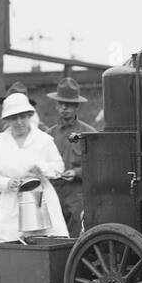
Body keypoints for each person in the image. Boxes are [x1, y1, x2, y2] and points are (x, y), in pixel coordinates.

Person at [0, 92, 69, 283]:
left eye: (23, 117)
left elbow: (59, 167)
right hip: (11, 202)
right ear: (7, 120)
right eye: (14, 118)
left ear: (30, 116)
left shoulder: (43, 139)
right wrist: (5, 183)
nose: (19, 122)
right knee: (8, 251)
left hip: (40, 199)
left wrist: (41, 168)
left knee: (46, 251)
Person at [47, 76, 96, 236]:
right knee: (54, 236)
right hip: (54, 194)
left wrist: (76, 172)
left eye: (68, 104)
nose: (64, 108)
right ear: (56, 106)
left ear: (76, 107)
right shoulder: (49, 135)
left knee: (77, 238)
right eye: (61, 104)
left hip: (78, 196)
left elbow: (97, 167)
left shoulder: (89, 133)